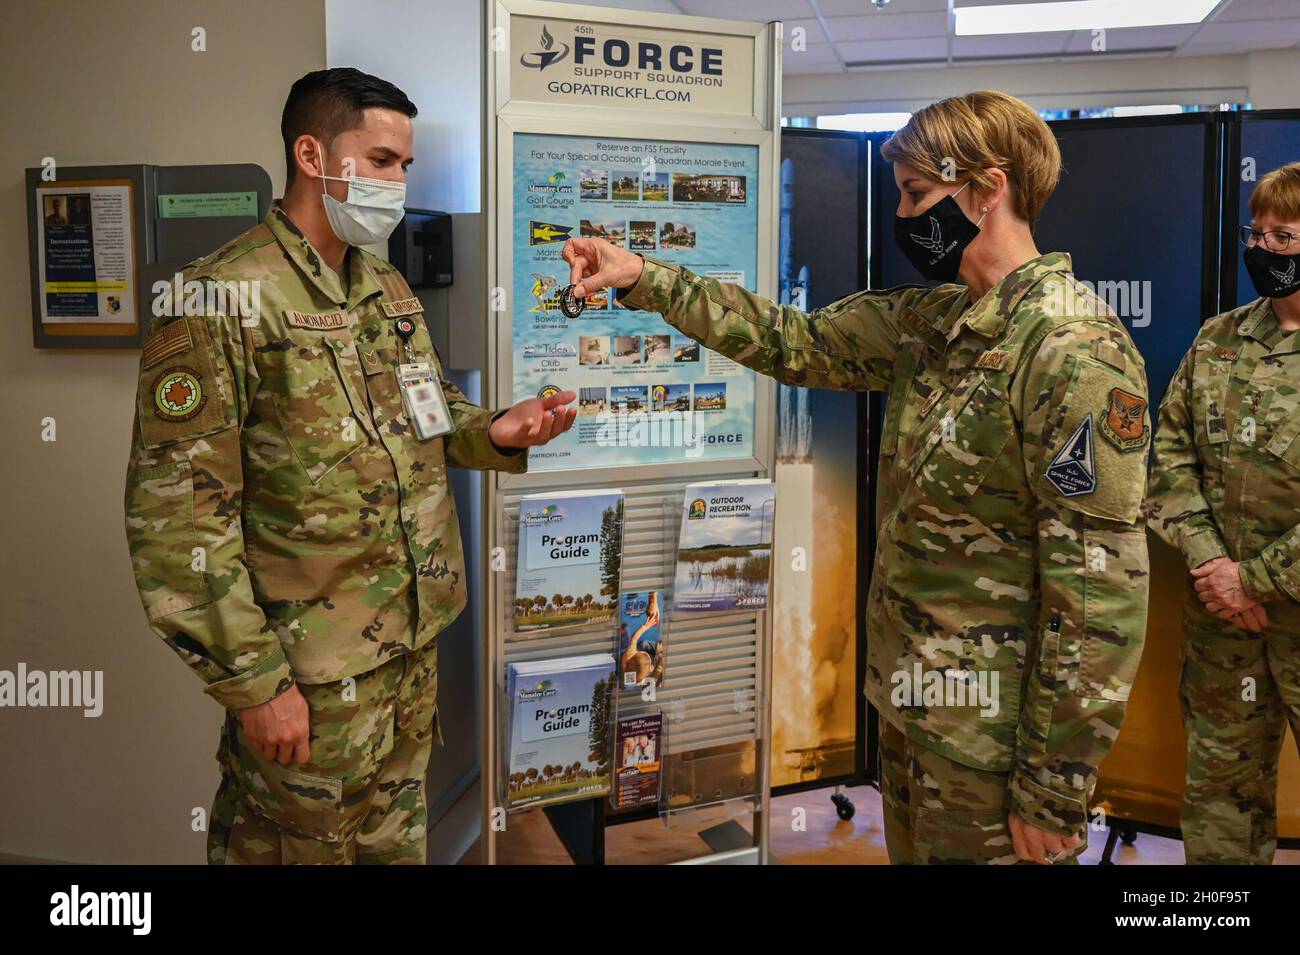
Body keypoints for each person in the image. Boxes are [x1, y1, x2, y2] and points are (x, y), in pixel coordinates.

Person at [564, 90, 1151, 865]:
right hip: (914, 709)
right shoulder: (936, 322)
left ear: (987, 187)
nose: (904, 216)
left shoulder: (1072, 350)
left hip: (993, 746)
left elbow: (1098, 595)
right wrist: (641, 275)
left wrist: (1053, 784)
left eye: (916, 193)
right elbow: (791, 340)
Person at [123, 67, 576, 865]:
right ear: (312, 154)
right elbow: (180, 527)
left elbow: (429, 421)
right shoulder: (219, 300)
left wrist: (499, 430)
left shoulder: (383, 285)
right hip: (309, 674)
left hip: (407, 655)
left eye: (405, 165)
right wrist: (257, 684)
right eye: (381, 160)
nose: (399, 182)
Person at [1148, 161, 1300, 864]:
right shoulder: (1218, 340)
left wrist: (1257, 579)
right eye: (1257, 232)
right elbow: (1168, 457)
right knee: (1220, 803)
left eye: (1286, 236)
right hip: (1222, 626)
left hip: (1279, 604)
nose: (1264, 249)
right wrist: (1214, 566)